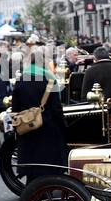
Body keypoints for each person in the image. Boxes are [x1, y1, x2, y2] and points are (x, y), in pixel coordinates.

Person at [11, 48, 69, 184]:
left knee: (32, 169)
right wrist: (64, 127)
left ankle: (31, 190)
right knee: (48, 168)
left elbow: (15, 108)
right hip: (47, 128)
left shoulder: (21, 80)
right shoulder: (49, 79)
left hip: (27, 129)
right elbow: (56, 108)